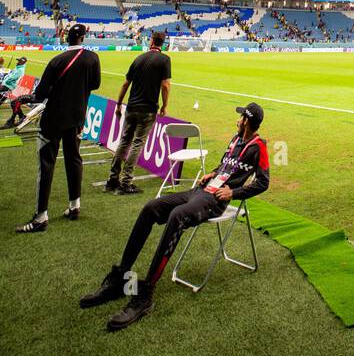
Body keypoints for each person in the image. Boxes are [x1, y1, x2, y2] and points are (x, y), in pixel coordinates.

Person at [80, 102, 270, 330]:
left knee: (177, 216)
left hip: (214, 201)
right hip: (200, 191)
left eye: (240, 118)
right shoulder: (234, 139)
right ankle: (121, 276)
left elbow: (263, 182)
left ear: (247, 121)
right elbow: (225, 166)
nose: (237, 120)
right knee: (150, 207)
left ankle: (146, 293)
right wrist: (212, 173)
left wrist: (234, 192)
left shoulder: (259, 146)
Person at [15, 25, 101, 233]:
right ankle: (74, 206)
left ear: (67, 39)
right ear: (82, 38)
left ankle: (41, 217)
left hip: (52, 120)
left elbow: (41, 92)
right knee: (74, 160)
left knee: (46, 165)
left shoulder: (57, 61)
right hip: (77, 119)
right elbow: (95, 85)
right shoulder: (93, 58)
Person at [106, 31, 171, 195]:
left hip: (131, 107)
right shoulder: (164, 60)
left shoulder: (139, 58)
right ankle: (125, 183)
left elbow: (125, 84)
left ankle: (112, 180)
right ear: (162, 43)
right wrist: (164, 106)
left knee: (124, 141)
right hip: (147, 109)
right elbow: (165, 85)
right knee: (137, 143)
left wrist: (119, 104)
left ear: (151, 42)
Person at [0, 56, 27, 125]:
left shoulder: (20, 70)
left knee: (6, 99)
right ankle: (20, 116)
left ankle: (20, 116)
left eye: (19, 61)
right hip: (6, 85)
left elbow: (12, 78)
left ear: (23, 62)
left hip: (8, 85)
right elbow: (10, 75)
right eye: (18, 60)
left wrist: (4, 82)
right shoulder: (18, 68)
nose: (17, 62)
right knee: (3, 97)